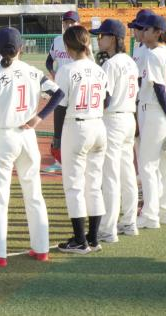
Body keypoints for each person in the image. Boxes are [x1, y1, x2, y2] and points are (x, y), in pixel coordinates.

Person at [0, 28, 64, 267]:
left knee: (0, 197)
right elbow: (58, 94)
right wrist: (39, 117)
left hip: (3, 137)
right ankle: (41, 248)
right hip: (27, 136)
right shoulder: (32, 71)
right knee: (34, 193)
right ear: (21, 48)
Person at [53, 26, 109, 254]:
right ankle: (93, 238)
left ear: (68, 47)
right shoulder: (99, 69)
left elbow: (59, 106)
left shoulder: (66, 70)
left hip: (77, 126)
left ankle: (79, 240)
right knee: (94, 183)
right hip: (98, 125)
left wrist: (56, 138)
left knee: (74, 185)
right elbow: (107, 100)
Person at [90, 19, 140, 242]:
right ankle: (129, 222)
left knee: (109, 176)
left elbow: (105, 98)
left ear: (113, 38)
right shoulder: (130, 61)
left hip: (113, 120)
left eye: (102, 36)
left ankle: (108, 229)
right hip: (129, 118)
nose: (99, 39)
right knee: (127, 172)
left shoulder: (111, 65)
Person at [136, 14, 166, 230]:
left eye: (147, 29)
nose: (143, 32)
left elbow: (159, 88)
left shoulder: (154, 54)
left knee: (148, 165)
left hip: (156, 112)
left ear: (158, 33)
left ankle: (150, 215)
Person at [45, 10, 82, 173]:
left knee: (75, 123)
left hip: (77, 87)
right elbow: (48, 61)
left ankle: (76, 160)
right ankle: (58, 161)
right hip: (61, 88)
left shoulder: (83, 40)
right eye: (66, 22)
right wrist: (53, 73)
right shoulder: (58, 40)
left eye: (72, 22)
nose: (69, 25)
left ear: (78, 23)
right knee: (59, 124)